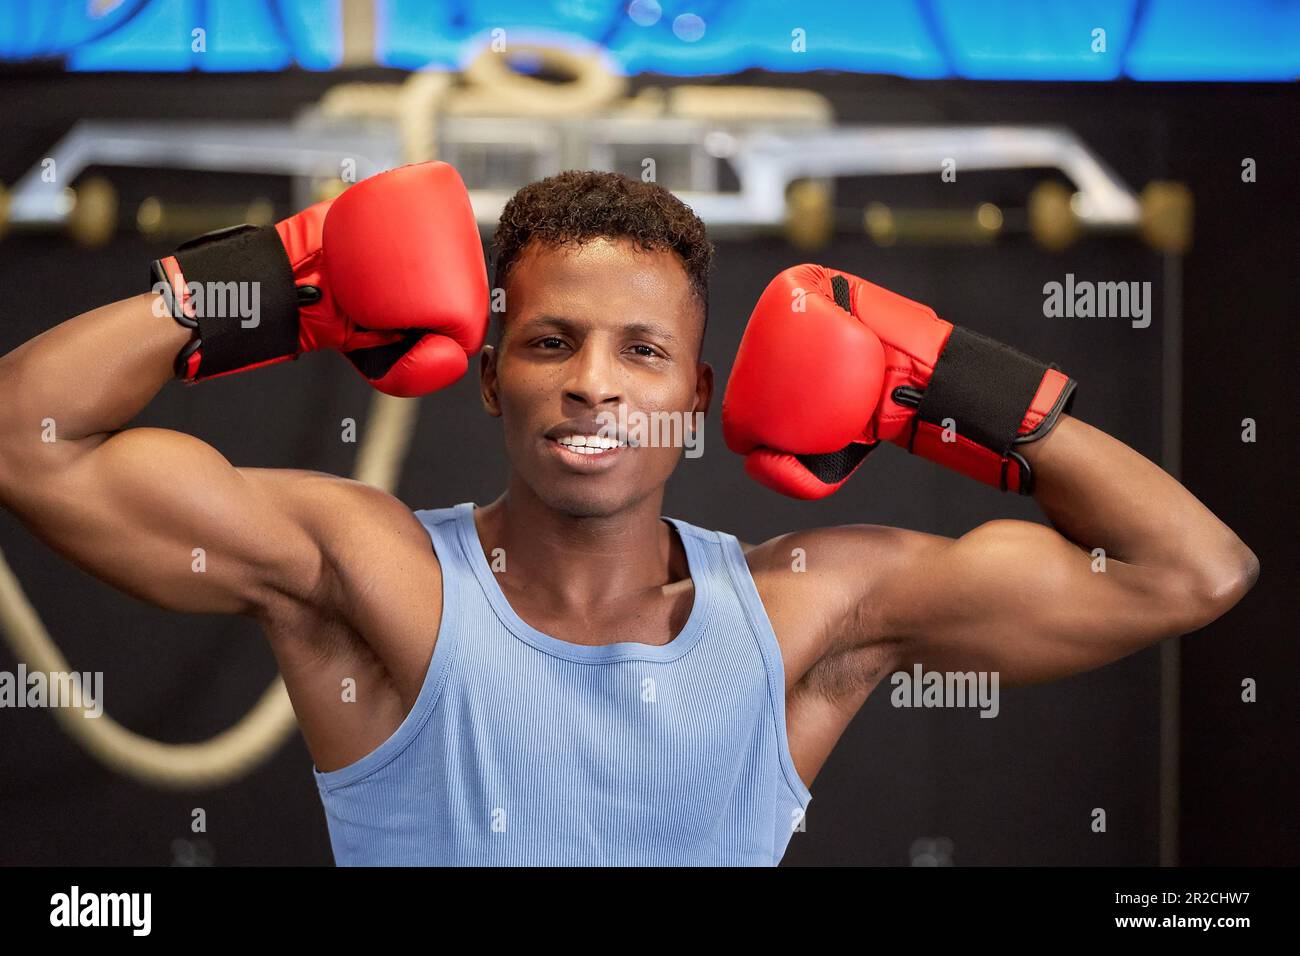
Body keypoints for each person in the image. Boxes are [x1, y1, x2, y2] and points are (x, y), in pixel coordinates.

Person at [0, 162, 1258, 866]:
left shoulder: (809, 607)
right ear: (493, 373)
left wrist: (941, 383)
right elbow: (27, 437)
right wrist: (285, 281)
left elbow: (1190, 570)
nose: (593, 379)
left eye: (641, 351)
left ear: (695, 394)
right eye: (550, 340)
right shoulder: (372, 574)